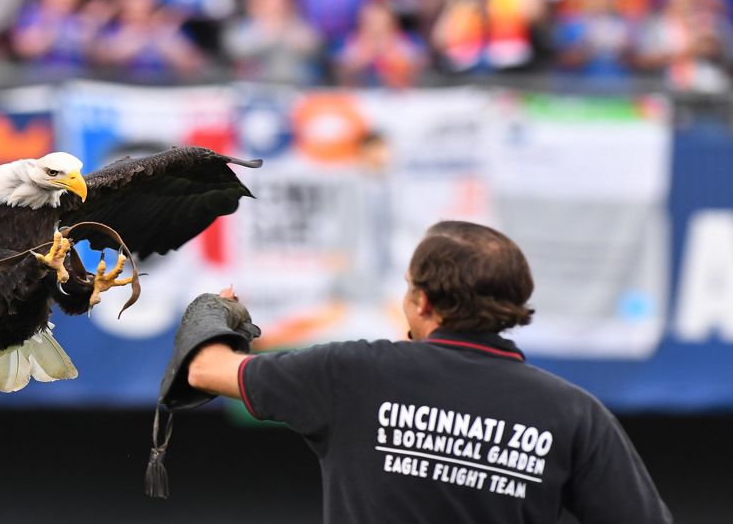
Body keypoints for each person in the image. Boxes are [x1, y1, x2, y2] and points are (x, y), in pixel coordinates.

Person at [165, 221, 673, 522]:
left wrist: (213, 309)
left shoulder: (352, 372)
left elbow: (205, 369)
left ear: (423, 301)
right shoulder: (575, 413)